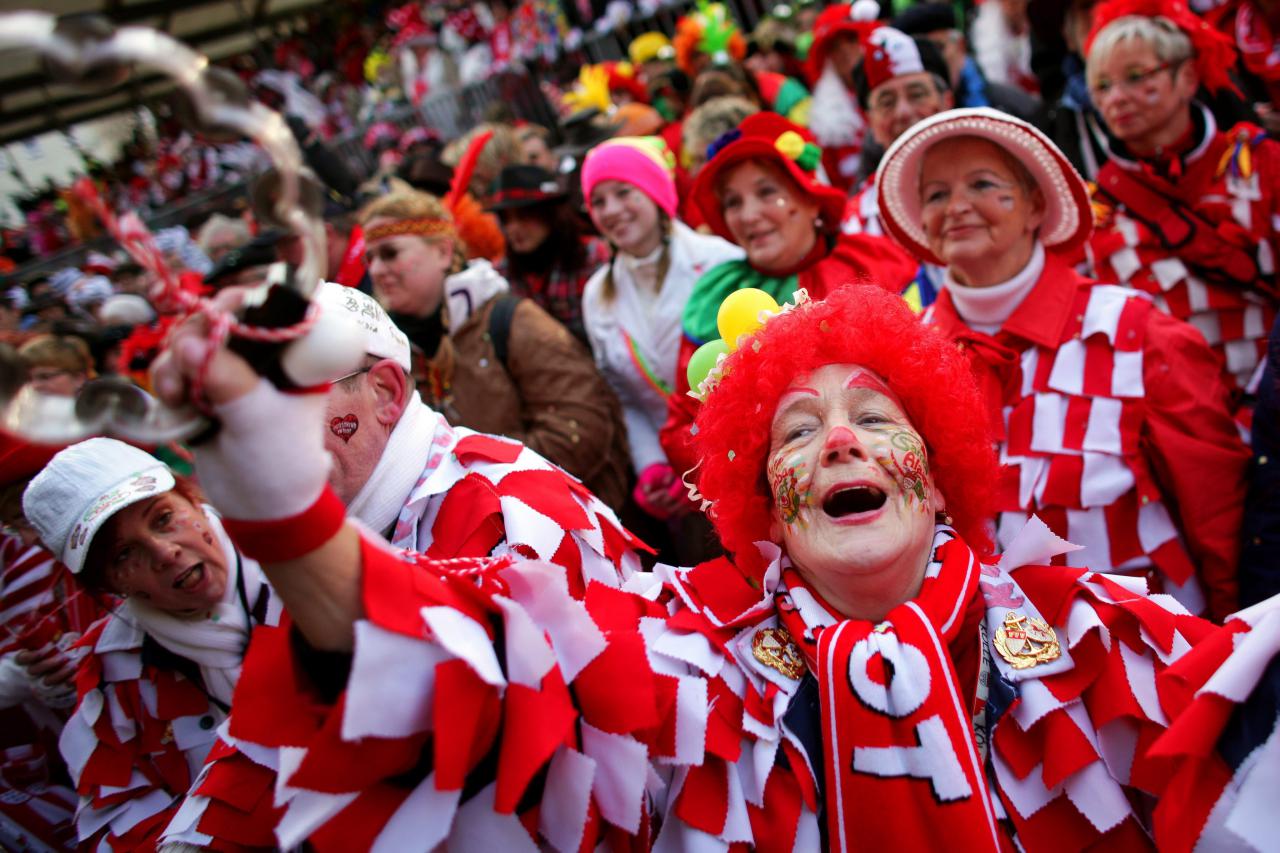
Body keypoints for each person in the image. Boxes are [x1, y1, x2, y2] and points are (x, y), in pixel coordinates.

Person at [147, 282, 1263, 850]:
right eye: (792, 430)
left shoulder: (1084, 622)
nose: (835, 440)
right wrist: (286, 522)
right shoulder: (685, 658)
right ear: (758, 505)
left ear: (937, 462)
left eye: (875, 416)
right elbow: (469, 684)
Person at [876, 107, 1249, 619]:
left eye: (982, 185)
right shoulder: (904, 358)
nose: (957, 206)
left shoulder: (1139, 336)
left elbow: (1219, 517)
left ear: (1034, 206)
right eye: (936, 195)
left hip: (1155, 661)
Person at [21, 439, 280, 849]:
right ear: (108, 585)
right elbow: (114, 816)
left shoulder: (309, 572)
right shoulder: (112, 677)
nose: (164, 552)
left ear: (193, 501)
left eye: (163, 518)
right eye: (125, 554)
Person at [658, 111, 919, 491]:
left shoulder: (877, 266)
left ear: (811, 200)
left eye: (767, 192)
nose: (748, 215)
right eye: (733, 202)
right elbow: (686, 425)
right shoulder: (718, 295)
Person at [359, 188, 632, 511]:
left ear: (444, 252)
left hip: (570, 528)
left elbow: (582, 431)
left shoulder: (511, 320)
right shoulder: (394, 355)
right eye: (370, 258)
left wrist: (473, 487)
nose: (376, 269)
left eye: (390, 253)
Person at [1083, 0, 1280, 389]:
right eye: (1102, 86)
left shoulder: (1259, 163)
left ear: (1188, 77)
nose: (1116, 98)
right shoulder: (1095, 210)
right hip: (1178, 416)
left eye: (1136, 77)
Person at [580, 137, 743, 545]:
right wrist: (653, 464)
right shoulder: (597, 294)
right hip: (678, 490)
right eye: (598, 201)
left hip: (742, 461)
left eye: (623, 192)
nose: (612, 210)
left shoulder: (720, 261)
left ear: (654, 192)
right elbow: (626, 396)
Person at [488, 165, 610, 347]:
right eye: (506, 219)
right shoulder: (499, 275)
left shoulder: (591, 255)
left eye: (524, 215)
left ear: (550, 215)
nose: (513, 228)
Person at [804, 0, 879, 191]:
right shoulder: (824, 123)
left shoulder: (894, 89)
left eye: (851, 40)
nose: (845, 51)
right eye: (834, 47)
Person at [17, 335, 93, 397]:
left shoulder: (99, 413)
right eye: (26, 380)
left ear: (78, 378)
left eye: (45, 377)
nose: (34, 386)